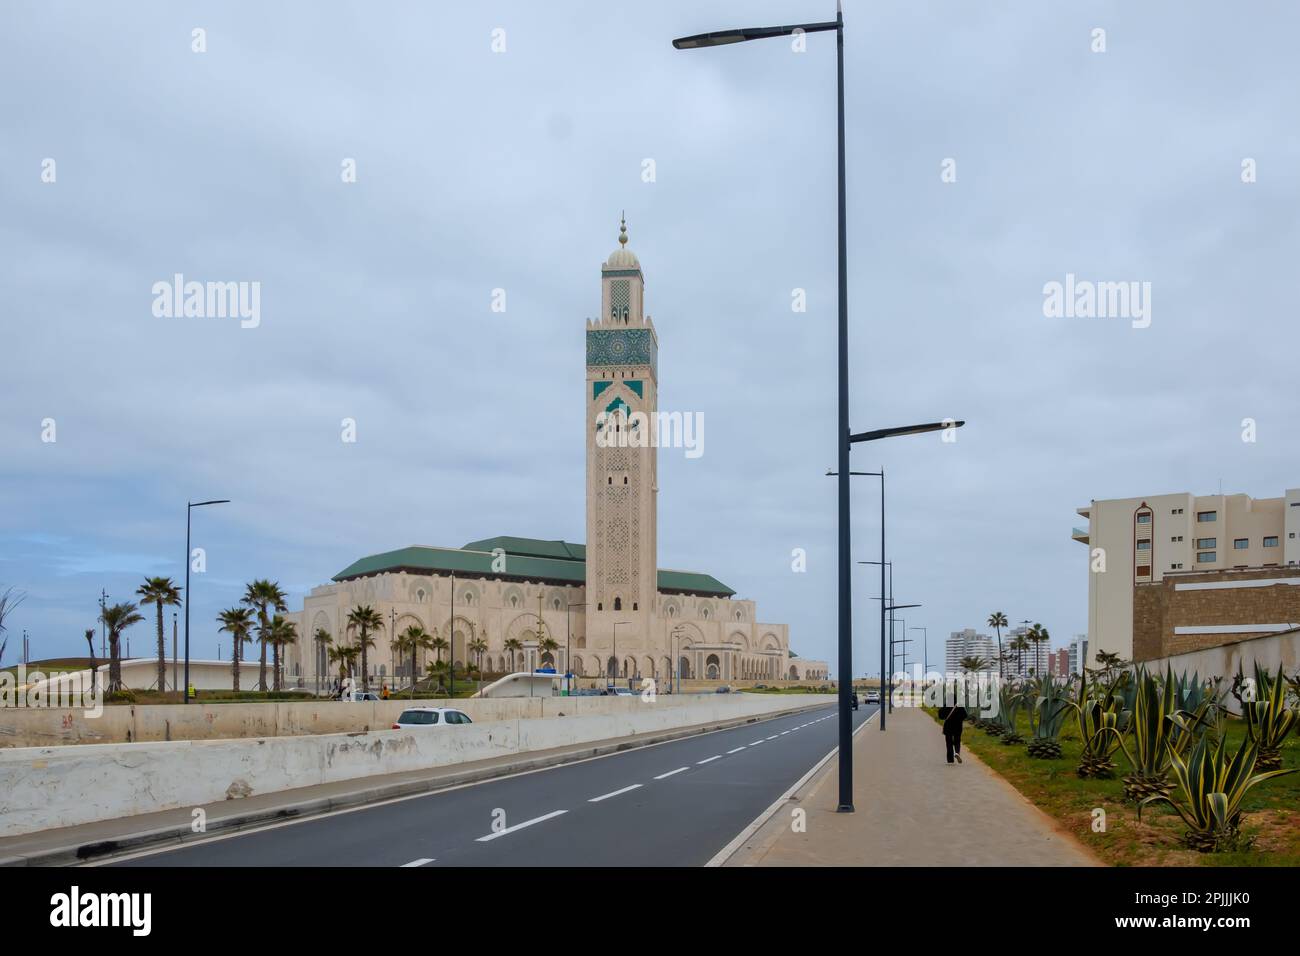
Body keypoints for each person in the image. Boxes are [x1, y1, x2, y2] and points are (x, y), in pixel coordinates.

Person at [937, 698, 967, 764]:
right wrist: (959, 719)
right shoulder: (960, 706)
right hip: (958, 727)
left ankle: (950, 760)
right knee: (957, 740)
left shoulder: (946, 705)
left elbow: (940, 715)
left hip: (948, 727)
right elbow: (965, 715)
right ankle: (957, 752)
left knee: (949, 742)